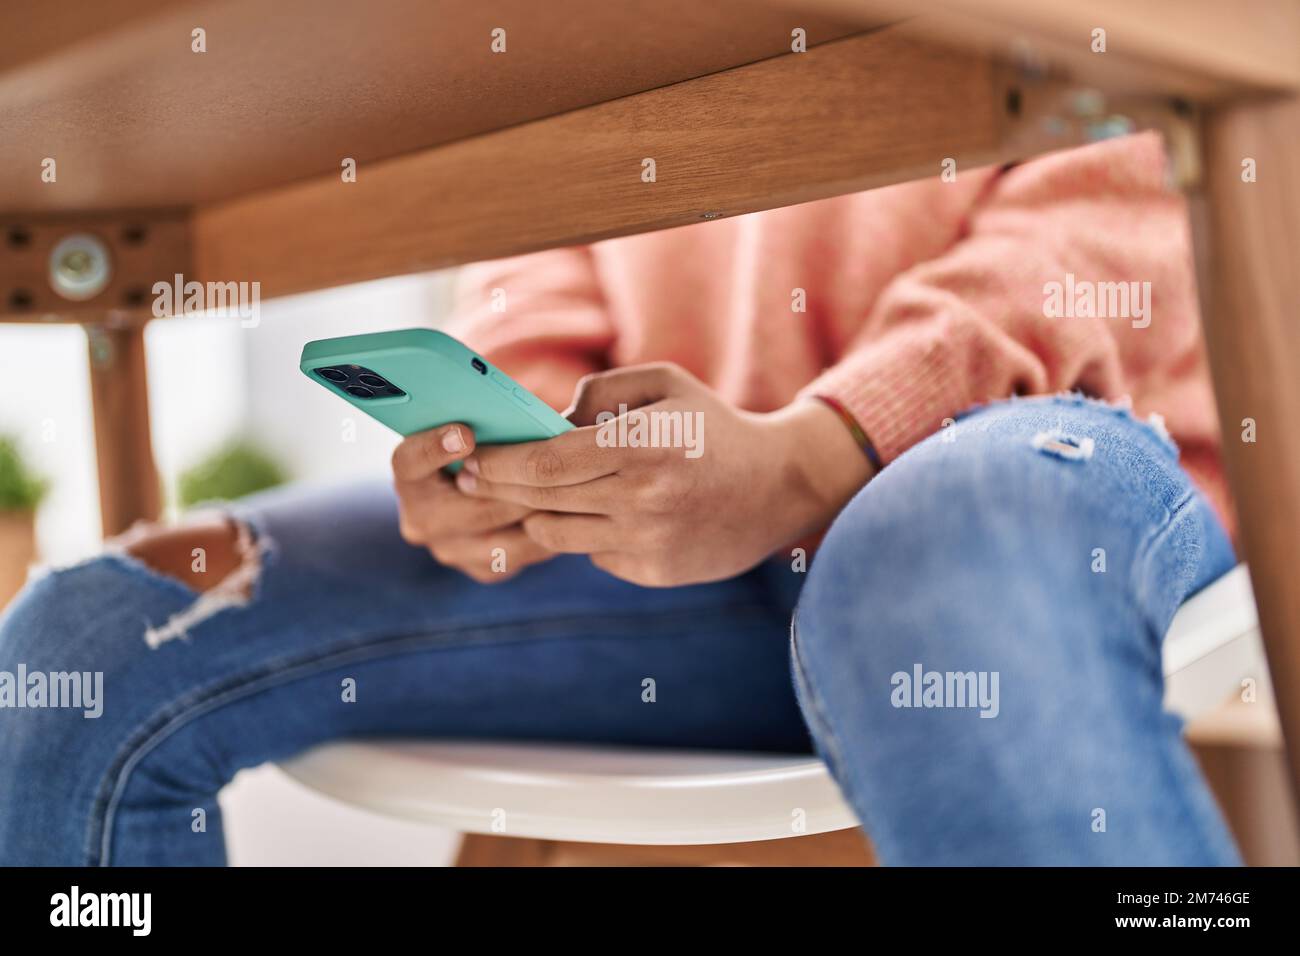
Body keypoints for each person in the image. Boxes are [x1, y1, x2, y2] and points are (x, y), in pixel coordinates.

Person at [0, 132, 1240, 865]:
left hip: (1030, 471)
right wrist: (512, 466)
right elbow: (542, 235)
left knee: (937, 552)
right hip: (669, 534)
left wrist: (806, 456)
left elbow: (1103, 214)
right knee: (91, 643)